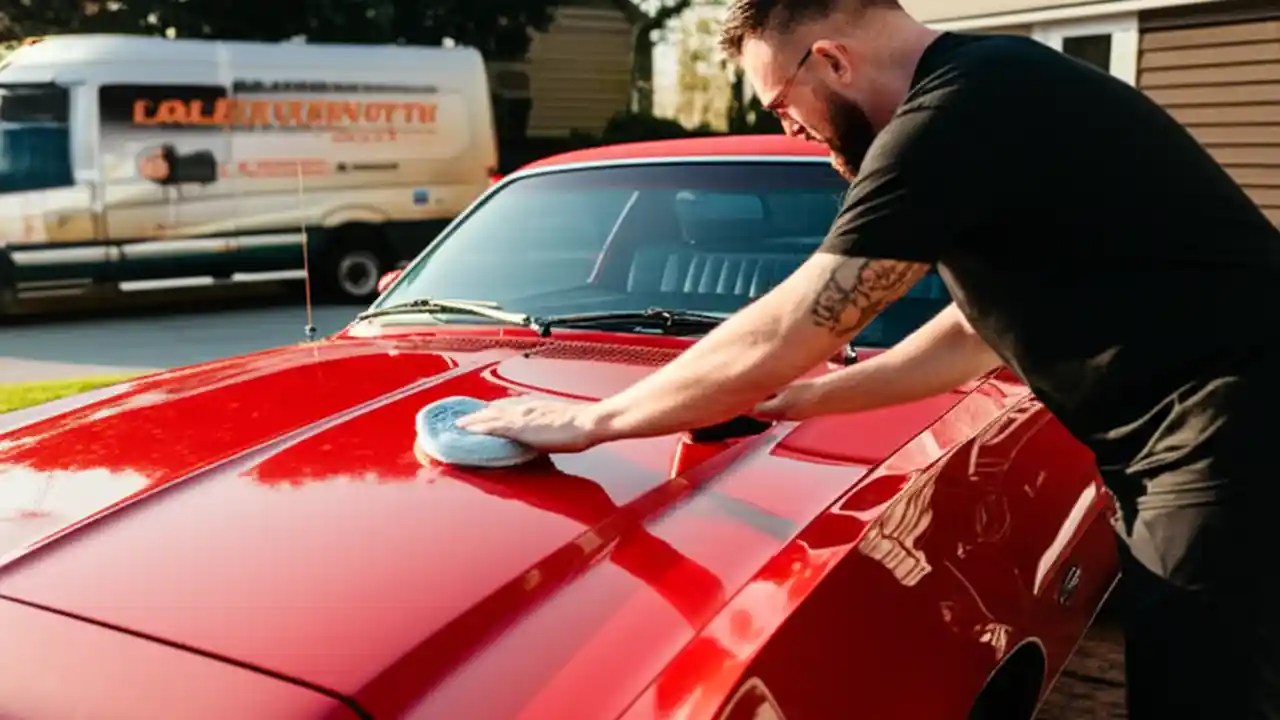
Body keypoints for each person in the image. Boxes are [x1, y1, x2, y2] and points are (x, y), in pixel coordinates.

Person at [458, 1, 1280, 716]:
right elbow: (970, 337)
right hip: (1200, 440)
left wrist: (590, 420)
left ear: (833, 61)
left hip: (1229, 433)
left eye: (784, 104)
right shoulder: (997, 98)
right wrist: (796, 400)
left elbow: (802, 317)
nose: (792, 127)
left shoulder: (957, 110)